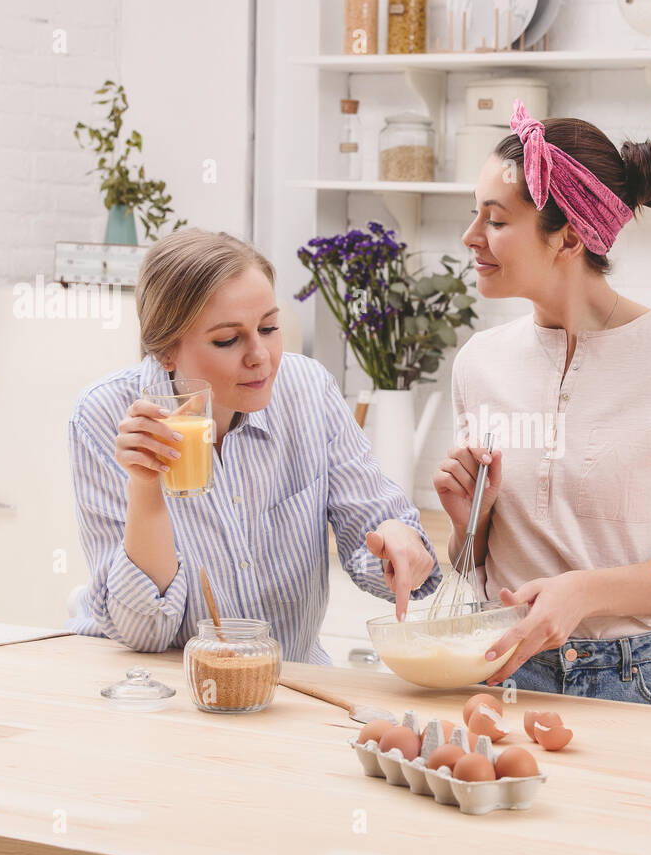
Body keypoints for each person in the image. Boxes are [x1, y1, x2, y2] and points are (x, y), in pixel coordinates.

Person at [433, 100, 651, 705]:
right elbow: (474, 568)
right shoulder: (480, 362)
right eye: (474, 215)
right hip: (507, 672)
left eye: (496, 221)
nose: (471, 237)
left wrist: (587, 591)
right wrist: (468, 526)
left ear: (572, 235)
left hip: (645, 679)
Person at [66, 228, 441, 662]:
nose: (259, 355)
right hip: (161, 692)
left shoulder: (307, 390)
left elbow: (375, 530)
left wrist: (397, 543)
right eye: (228, 340)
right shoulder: (105, 416)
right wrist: (146, 490)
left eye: (269, 327)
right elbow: (144, 631)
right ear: (166, 352)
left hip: (289, 686)